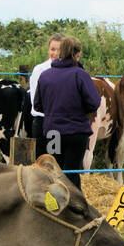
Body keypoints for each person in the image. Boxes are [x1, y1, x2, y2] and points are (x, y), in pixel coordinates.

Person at [33, 36, 100, 189]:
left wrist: (52, 110)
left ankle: (54, 205)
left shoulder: (45, 75)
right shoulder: (80, 74)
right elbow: (94, 102)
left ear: (61, 52)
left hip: (53, 133)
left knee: (54, 171)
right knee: (71, 173)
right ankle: (75, 206)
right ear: (77, 54)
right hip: (75, 133)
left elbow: (37, 105)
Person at [28, 33, 63, 156]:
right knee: (41, 161)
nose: (56, 53)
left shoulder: (67, 71)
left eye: (59, 50)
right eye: (53, 49)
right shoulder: (40, 70)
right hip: (42, 120)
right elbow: (35, 99)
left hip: (57, 123)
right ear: (48, 50)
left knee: (54, 159)